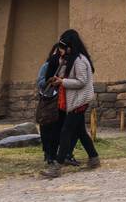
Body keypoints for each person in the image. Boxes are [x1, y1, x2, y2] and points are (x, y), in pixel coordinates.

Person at [43, 29, 99, 178]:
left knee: (66, 131)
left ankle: (57, 166)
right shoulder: (70, 59)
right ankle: (94, 158)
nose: (59, 51)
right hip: (74, 100)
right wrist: (58, 80)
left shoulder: (80, 60)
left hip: (79, 101)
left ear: (70, 47)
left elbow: (81, 81)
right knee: (80, 131)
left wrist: (63, 82)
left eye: (62, 48)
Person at [36, 41, 67, 169]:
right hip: (49, 100)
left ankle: (56, 153)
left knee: (58, 128)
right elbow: (40, 82)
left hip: (60, 100)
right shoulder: (46, 66)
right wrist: (50, 80)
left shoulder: (66, 66)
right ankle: (48, 153)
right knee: (46, 127)